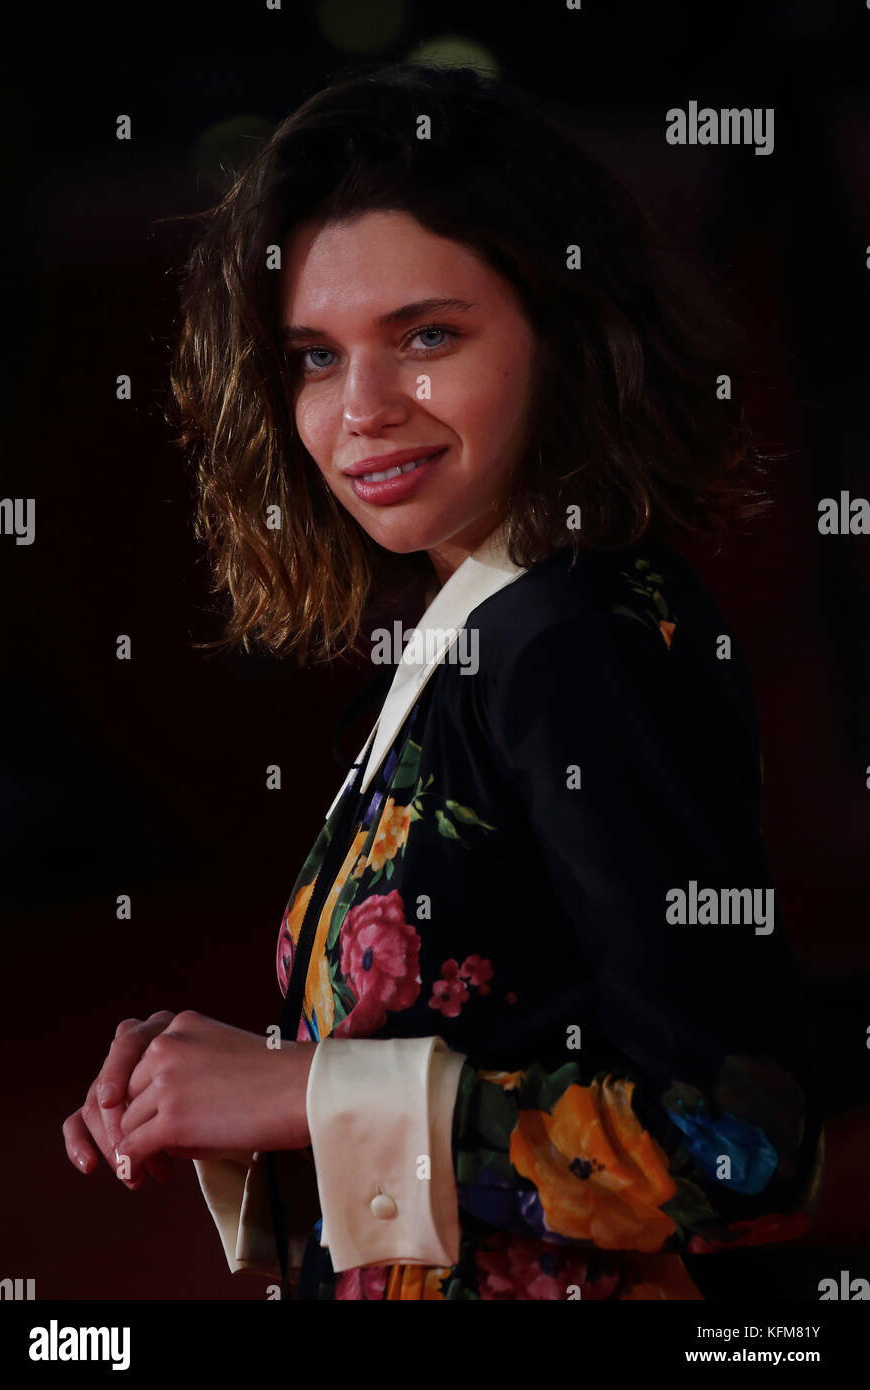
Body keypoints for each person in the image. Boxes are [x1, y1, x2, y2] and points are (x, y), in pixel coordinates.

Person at [63, 62, 824, 1301]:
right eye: (314, 355)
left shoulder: (570, 642)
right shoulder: (477, 625)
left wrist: (305, 1093)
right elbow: (505, 1032)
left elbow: (744, 1152)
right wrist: (226, 1085)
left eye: (425, 336)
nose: (359, 409)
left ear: (565, 331)